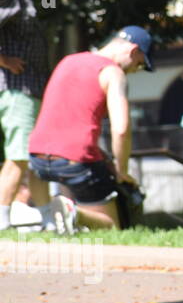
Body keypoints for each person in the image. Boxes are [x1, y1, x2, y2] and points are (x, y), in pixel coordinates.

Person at [26, 27, 154, 230]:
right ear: (133, 50)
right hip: (75, 161)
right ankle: (73, 213)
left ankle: (51, 220)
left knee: (69, 206)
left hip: (37, 159)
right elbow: (121, 129)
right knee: (112, 227)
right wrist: (122, 171)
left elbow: (64, 119)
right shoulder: (113, 73)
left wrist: (104, 158)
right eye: (139, 64)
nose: (134, 71)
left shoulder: (68, 61)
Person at [0, 0, 52, 230]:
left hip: (26, 87)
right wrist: (3, 59)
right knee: (19, 157)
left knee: (34, 157)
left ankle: (49, 221)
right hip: (16, 88)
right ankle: (2, 224)